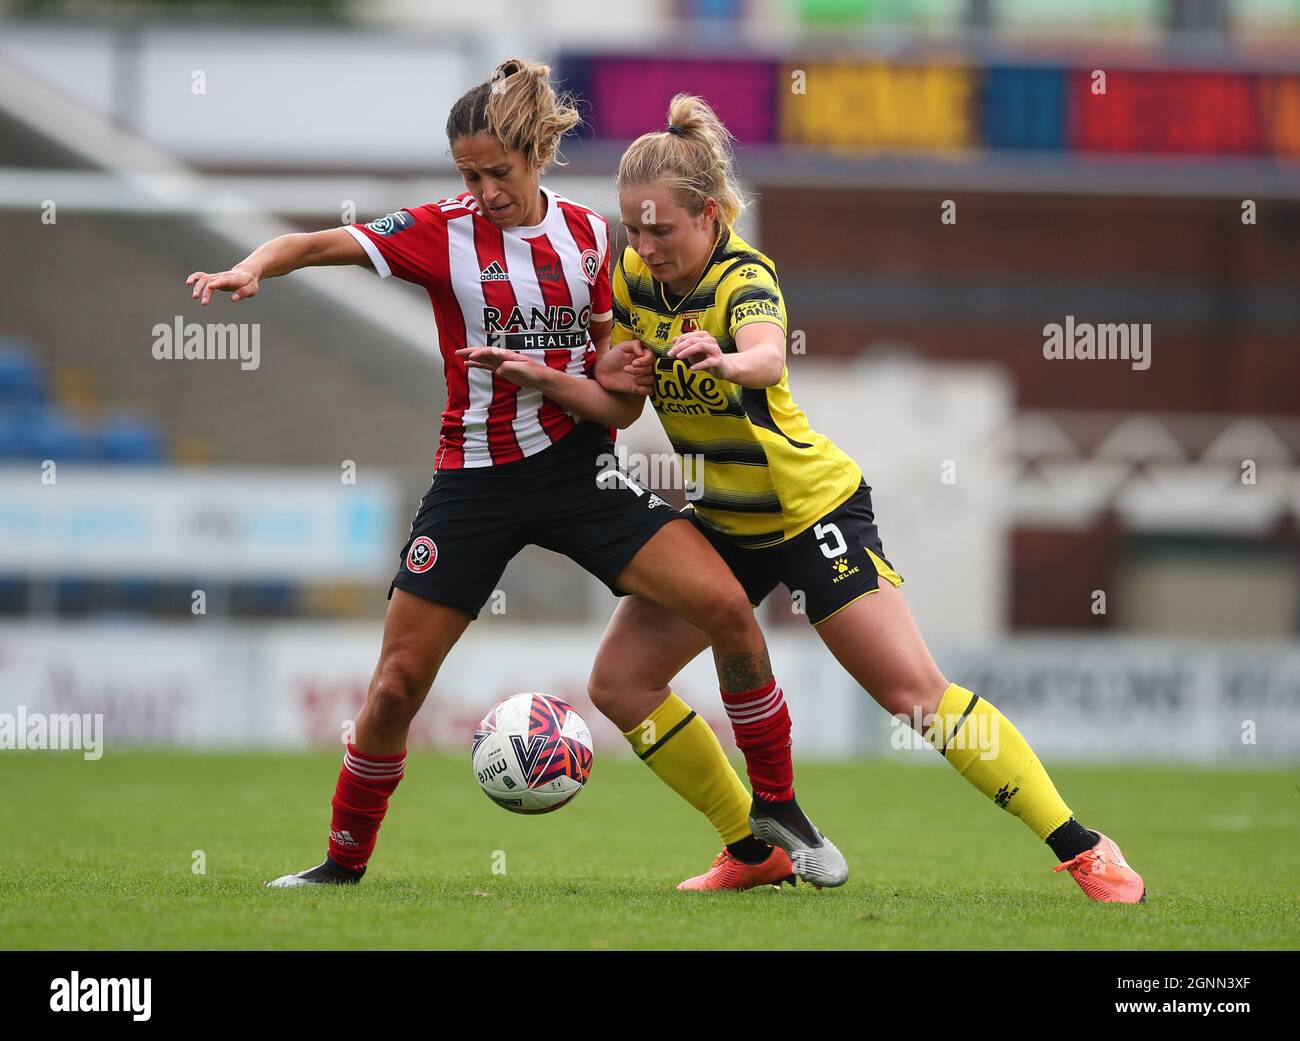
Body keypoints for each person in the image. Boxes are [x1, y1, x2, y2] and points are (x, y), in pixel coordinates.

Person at [185, 60, 844, 891]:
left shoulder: (592, 239)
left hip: (581, 474)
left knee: (725, 606)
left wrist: (618, 369)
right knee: (394, 686)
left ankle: (768, 828)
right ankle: (341, 865)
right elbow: (315, 242)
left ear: (535, 156)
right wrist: (255, 266)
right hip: (474, 482)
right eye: (469, 173)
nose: (484, 189)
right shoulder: (439, 229)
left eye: (498, 171)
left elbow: (618, 408)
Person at [581, 94, 1146, 903]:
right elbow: (622, 391)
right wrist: (608, 372)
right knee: (620, 684)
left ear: (708, 215)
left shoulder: (746, 275)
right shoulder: (634, 277)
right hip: (722, 523)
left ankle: (1083, 844)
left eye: (660, 230)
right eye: (632, 230)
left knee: (915, 694)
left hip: (810, 512)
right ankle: (752, 845)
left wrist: (727, 362)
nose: (643, 246)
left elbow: (768, 357)